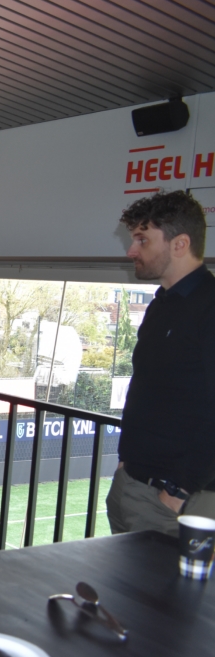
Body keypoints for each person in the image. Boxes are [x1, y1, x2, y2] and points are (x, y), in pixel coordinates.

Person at [107, 190, 215, 535]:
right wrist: (126, 465)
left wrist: (178, 492)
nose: (131, 250)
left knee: (159, 592)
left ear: (180, 244)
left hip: (174, 500)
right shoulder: (161, 305)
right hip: (132, 483)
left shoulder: (210, 308)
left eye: (142, 239)